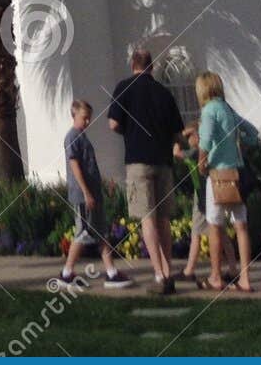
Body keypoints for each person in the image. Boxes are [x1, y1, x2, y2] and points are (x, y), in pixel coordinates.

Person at [108, 47, 185, 293]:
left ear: (133, 65)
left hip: (138, 162)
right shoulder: (164, 93)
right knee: (163, 219)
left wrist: (130, 132)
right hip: (163, 162)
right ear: (151, 67)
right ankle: (169, 269)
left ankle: (159, 275)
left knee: (147, 218)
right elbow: (177, 131)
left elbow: (113, 124)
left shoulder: (124, 88)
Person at [195, 70, 260, 295]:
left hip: (218, 177)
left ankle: (215, 276)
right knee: (241, 226)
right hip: (238, 173)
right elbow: (252, 133)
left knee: (215, 225)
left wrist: (201, 162)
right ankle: (245, 278)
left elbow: (205, 141)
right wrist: (240, 144)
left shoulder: (209, 111)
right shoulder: (228, 109)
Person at [57, 99, 133, 290]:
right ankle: (66, 273)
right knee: (83, 233)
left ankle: (111, 272)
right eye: (84, 117)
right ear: (74, 115)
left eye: (89, 117)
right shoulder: (72, 137)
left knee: (100, 233)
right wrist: (86, 192)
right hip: (83, 195)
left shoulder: (82, 136)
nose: (88, 121)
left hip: (93, 193)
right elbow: (74, 165)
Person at [175, 126, 235, 286]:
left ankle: (189, 270)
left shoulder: (195, 154)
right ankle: (233, 269)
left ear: (197, 137)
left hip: (202, 198)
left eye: (190, 138)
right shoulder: (207, 152)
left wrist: (182, 135)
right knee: (221, 232)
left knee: (196, 233)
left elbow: (175, 152)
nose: (188, 141)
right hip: (208, 194)